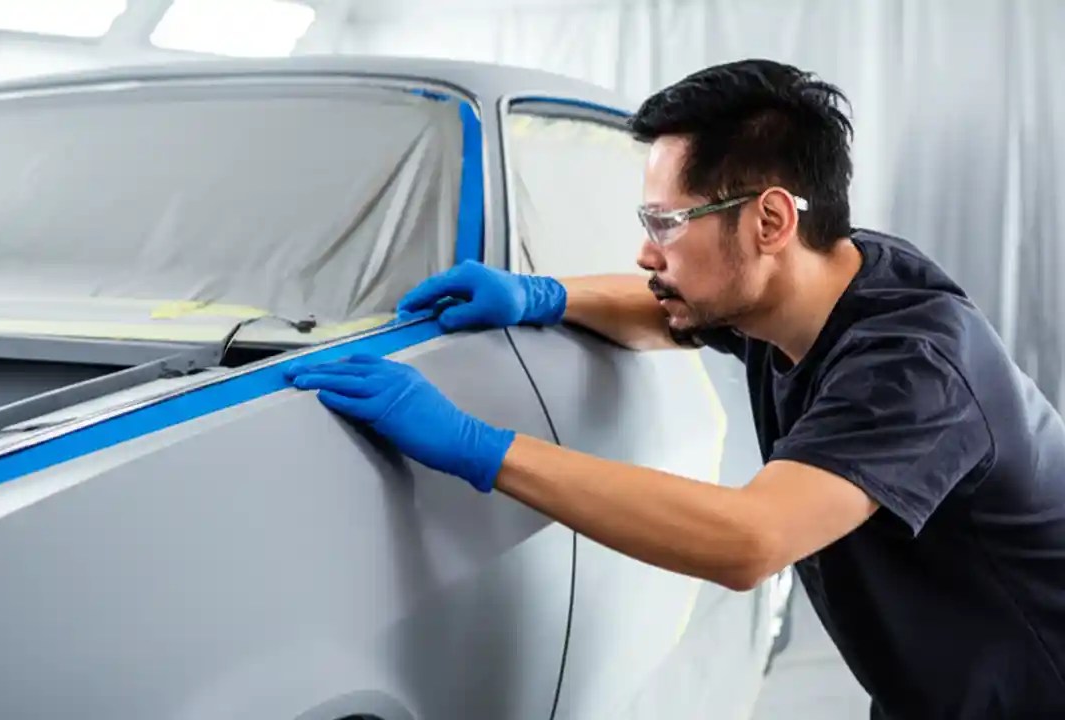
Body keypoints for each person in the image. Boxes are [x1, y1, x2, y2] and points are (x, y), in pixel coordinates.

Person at [284, 59, 1065, 719]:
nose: (645, 252)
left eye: (665, 224)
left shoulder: (913, 369)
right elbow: (679, 311)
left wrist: (476, 447)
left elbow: (746, 541)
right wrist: (539, 295)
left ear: (768, 222)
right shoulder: (824, 276)